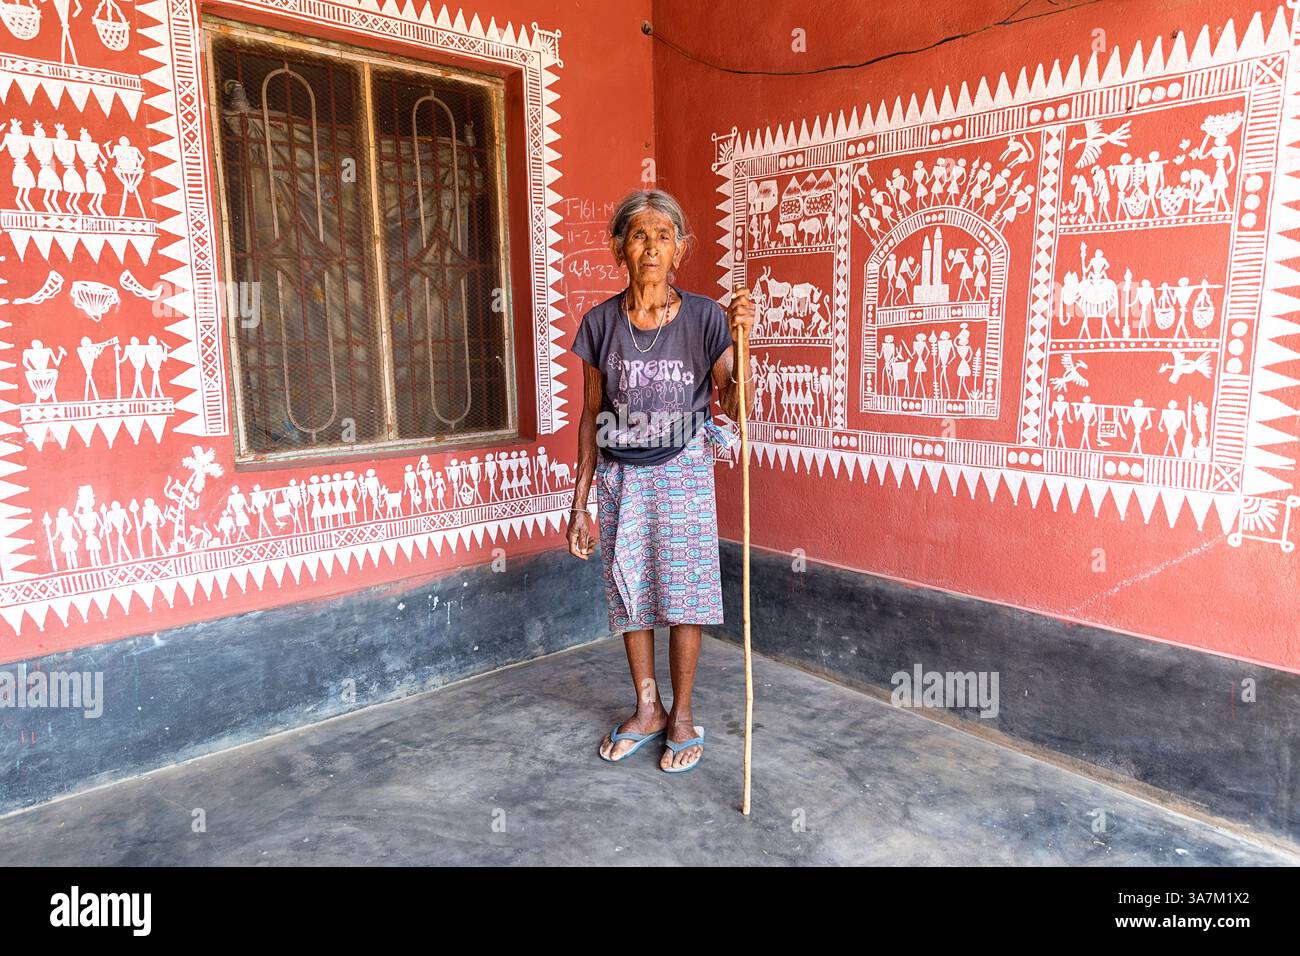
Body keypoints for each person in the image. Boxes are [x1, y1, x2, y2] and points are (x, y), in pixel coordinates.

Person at [568, 189, 755, 773]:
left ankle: (682, 715)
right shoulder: (600, 323)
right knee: (631, 597)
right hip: (621, 476)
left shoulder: (703, 317)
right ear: (619, 247)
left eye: (663, 236)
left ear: (681, 250)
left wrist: (743, 341)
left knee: (685, 597)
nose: (652, 246)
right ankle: (647, 709)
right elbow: (589, 414)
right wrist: (580, 504)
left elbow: (732, 398)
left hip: (683, 472)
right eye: (640, 235)